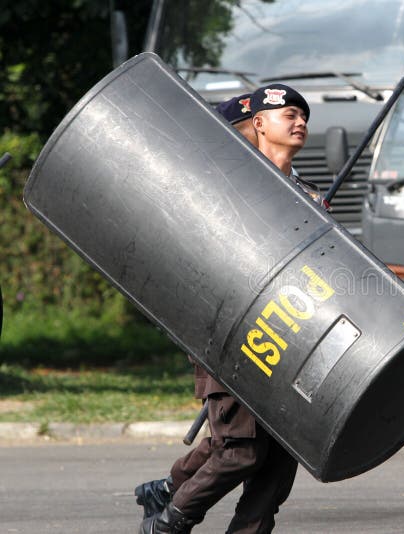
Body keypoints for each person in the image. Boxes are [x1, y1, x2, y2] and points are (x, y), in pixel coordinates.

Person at [137, 83, 317, 534]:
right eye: (288, 114)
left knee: (278, 461)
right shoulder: (230, 188)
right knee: (240, 449)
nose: (300, 122)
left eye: (303, 116)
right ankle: (169, 520)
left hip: (288, 340)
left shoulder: (312, 198)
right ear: (259, 124)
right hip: (229, 335)